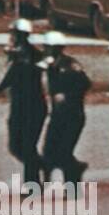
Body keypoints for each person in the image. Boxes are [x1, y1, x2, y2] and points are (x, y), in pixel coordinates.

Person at [0, 18, 48, 189]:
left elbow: (20, 73)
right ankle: (43, 165)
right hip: (18, 106)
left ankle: (33, 185)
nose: (11, 37)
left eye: (14, 34)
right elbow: (9, 74)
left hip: (33, 106)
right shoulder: (16, 55)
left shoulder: (32, 56)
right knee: (15, 146)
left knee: (28, 146)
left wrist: (1, 85)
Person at [38, 31, 91, 186]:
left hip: (73, 115)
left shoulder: (70, 65)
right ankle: (47, 180)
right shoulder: (50, 65)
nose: (46, 50)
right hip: (57, 115)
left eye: (49, 47)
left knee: (64, 152)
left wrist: (67, 94)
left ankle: (73, 184)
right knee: (48, 150)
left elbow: (85, 84)